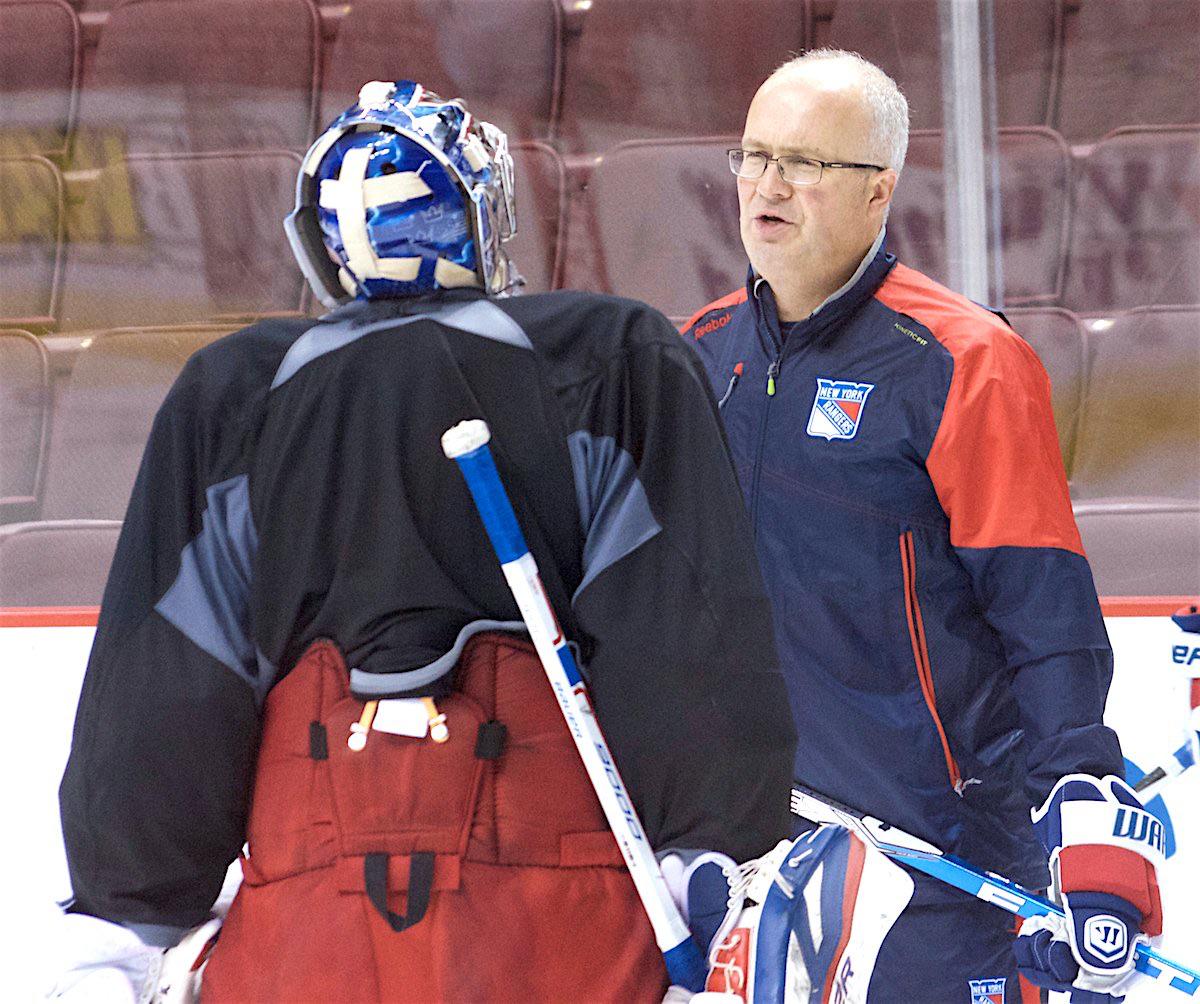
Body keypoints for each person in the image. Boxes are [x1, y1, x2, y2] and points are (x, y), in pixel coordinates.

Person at [49, 80, 796, 1003]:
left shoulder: (232, 393)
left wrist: (122, 926)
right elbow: (690, 644)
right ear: (473, 217)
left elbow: (163, 695)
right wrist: (709, 875)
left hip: (307, 929)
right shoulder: (611, 359)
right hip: (562, 928)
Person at [682, 51, 1164, 1003]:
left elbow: (1047, 616)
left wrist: (1087, 822)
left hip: (943, 864)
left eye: (808, 163)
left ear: (879, 192)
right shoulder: (702, 352)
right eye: (755, 155)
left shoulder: (964, 361)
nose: (769, 185)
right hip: (764, 858)